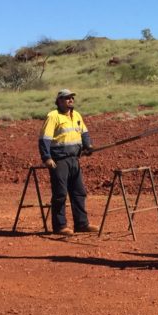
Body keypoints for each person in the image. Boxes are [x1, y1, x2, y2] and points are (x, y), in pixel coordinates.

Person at [38, 89, 98, 235]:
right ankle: (60, 226)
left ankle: (82, 224)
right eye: (67, 98)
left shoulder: (76, 115)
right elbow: (44, 139)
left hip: (74, 159)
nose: (70, 100)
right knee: (60, 194)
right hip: (59, 160)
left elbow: (84, 133)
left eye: (71, 97)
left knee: (79, 192)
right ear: (59, 101)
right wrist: (47, 158)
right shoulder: (53, 116)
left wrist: (88, 146)